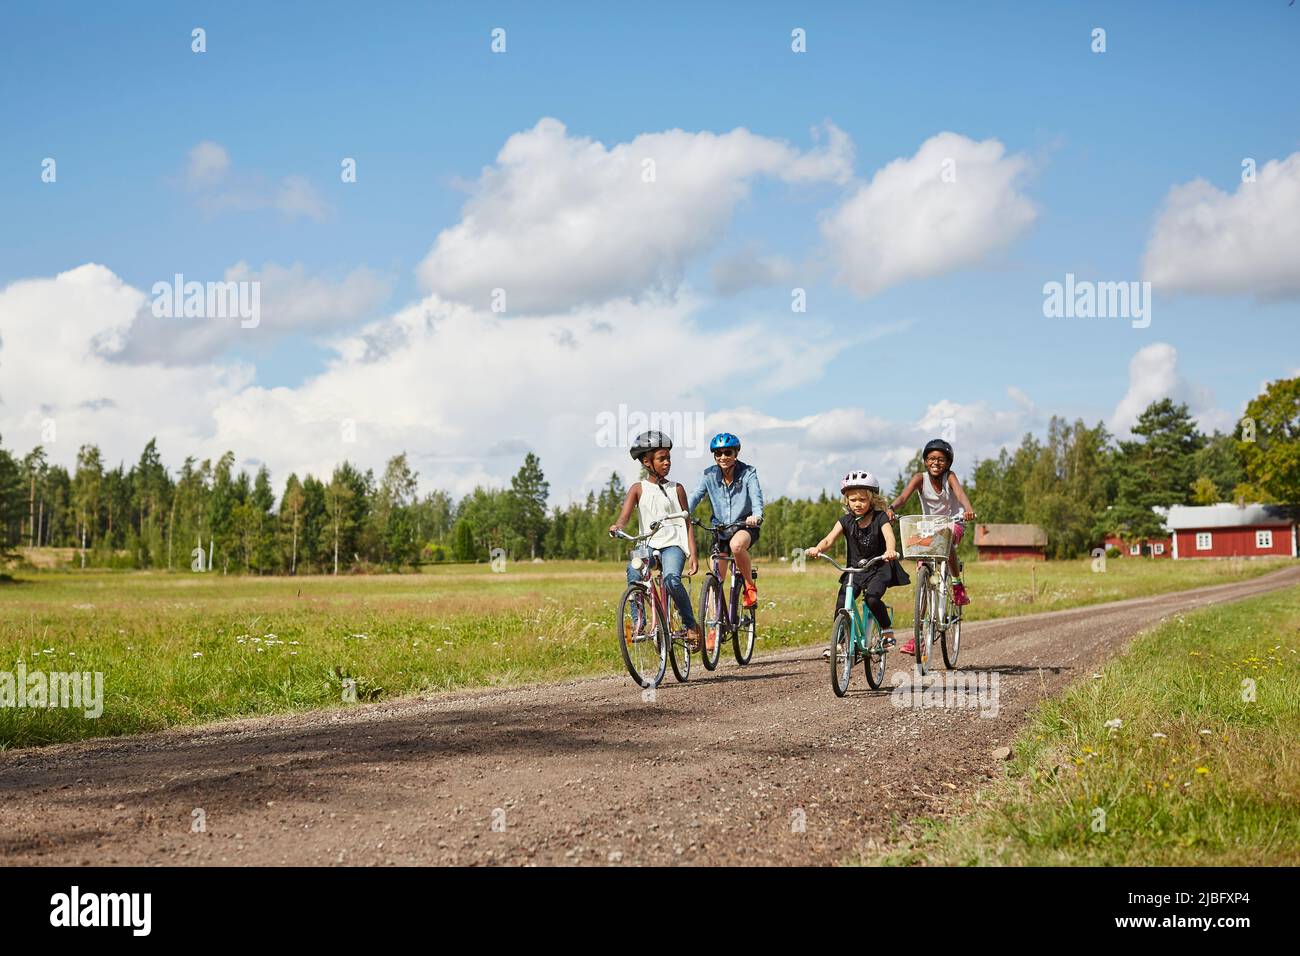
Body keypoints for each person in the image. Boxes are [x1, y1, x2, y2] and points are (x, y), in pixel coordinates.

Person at [609, 430, 702, 650]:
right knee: (633, 569)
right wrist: (618, 527)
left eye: (668, 458)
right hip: (648, 545)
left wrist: (693, 553)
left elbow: (687, 522)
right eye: (662, 459)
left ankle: (690, 624)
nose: (667, 462)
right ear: (646, 462)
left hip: (673, 545)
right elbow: (624, 517)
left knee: (671, 580)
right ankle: (639, 620)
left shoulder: (677, 489)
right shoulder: (638, 489)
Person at [807, 471, 910, 658]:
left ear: (871, 499)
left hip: (879, 567)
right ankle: (839, 643)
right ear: (847, 501)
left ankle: (886, 630)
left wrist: (890, 551)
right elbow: (829, 540)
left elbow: (889, 537)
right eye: (853, 499)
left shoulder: (880, 518)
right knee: (841, 603)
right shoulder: (845, 521)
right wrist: (818, 548)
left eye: (862, 499)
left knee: (871, 599)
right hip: (854, 571)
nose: (858, 503)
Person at [886, 438, 975, 655]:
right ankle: (918, 639)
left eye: (941, 459)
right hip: (927, 527)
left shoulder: (949, 477)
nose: (936, 462)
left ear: (948, 462)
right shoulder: (919, 479)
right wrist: (890, 508)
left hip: (952, 523)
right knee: (923, 579)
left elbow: (961, 495)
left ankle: (956, 584)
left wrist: (968, 509)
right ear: (925, 461)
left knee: (945, 542)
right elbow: (903, 497)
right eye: (932, 458)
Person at [687, 433, 764, 615]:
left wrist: (757, 515)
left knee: (736, 546)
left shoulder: (748, 473)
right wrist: (684, 513)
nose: (723, 457)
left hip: (745, 525)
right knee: (716, 578)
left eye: (727, 452)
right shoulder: (708, 475)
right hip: (720, 529)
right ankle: (714, 627)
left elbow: (756, 496)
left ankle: (749, 586)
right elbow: (695, 496)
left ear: (736, 453)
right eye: (718, 453)